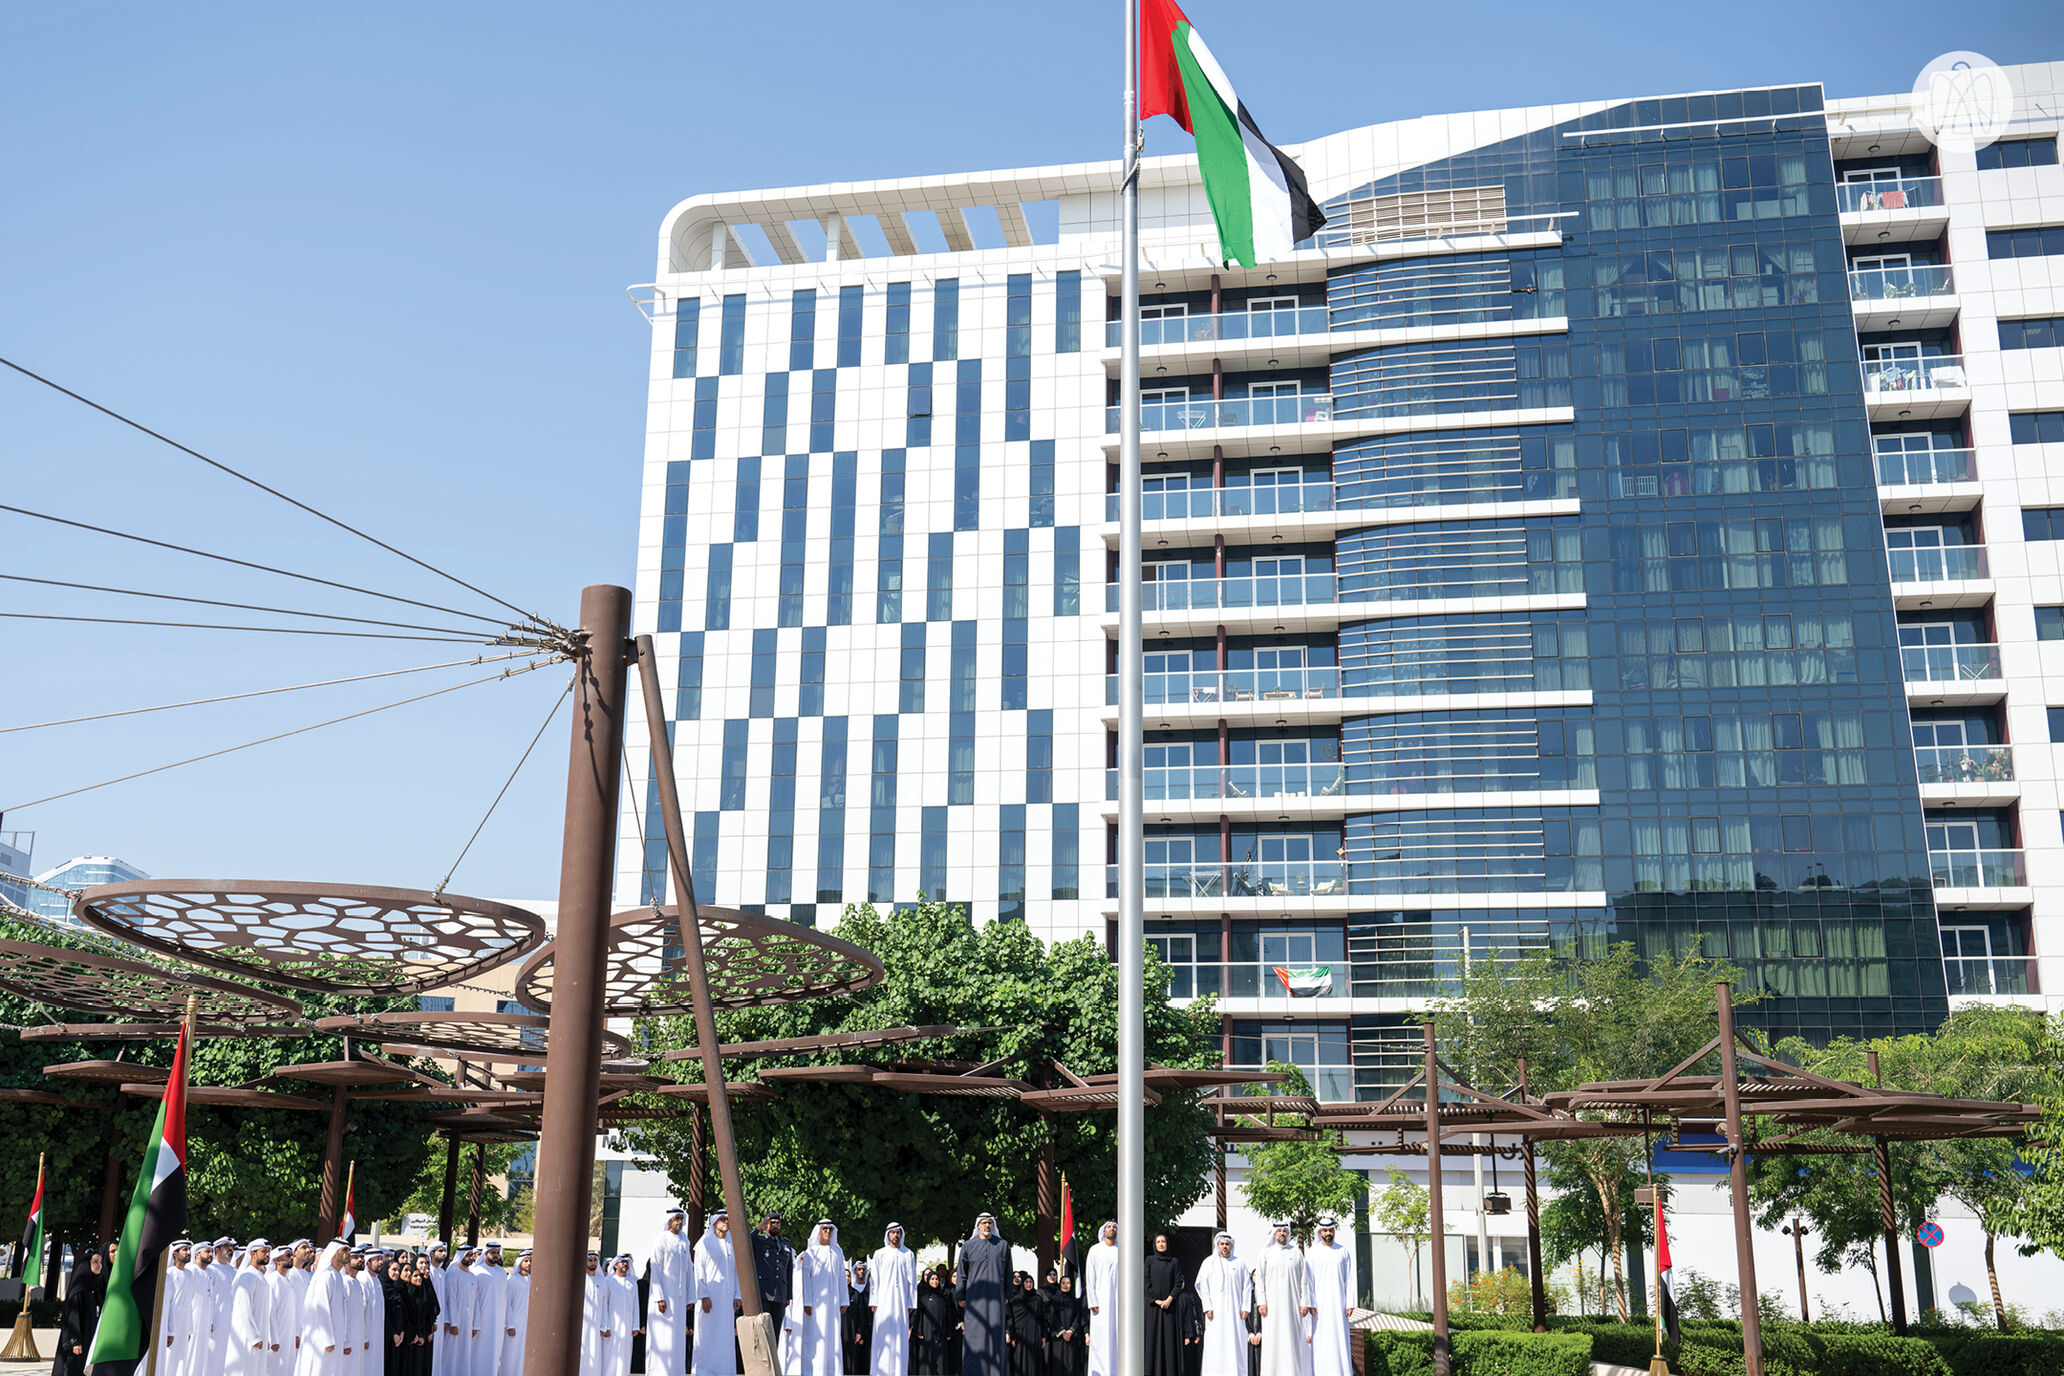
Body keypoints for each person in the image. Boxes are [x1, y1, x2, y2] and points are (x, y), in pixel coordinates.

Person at [789, 1222, 846, 1376]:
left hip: (833, 1303)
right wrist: (807, 1302)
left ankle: (832, 1371)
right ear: (818, 1232)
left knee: (833, 1337)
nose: (828, 1232)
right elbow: (806, 1279)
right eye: (824, 1229)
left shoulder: (838, 1252)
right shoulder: (810, 1253)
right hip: (816, 1304)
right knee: (815, 1337)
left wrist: (844, 1300)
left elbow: (842, 1277)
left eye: (830, 1229)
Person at [955, 1215, 1009, 1376]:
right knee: (974, 1337)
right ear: (978, 1225)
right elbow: (961, 1273)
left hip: (996, 1299)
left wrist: (1007, 1295)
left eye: (990, 1223)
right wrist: (960, 1296)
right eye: (984, 1223)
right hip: (974, 1299)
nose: (987, 1225)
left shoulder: (1003, 1246)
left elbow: (1009, 1272)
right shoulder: (968, 1246)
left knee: (995, 1336)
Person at [1251, 1226, 1309, 1376]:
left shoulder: (1296, 1253)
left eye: (1285, 1231)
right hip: (1272, 1307)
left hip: (1293, 1306)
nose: (1282, 1233)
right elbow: (1260, 1279)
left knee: (1292, 1341)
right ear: (1274, 1233)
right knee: (1273, 1341)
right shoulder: (1266, 1253)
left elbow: (1304, 1280)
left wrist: (1304, 1303)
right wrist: (1261, 1302)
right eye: (1279, 1231)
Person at [299, 1240, 358, 1376]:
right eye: (344, 1250)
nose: (348, 1253)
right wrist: (327, 1339)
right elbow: (321, 1308)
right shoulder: (325, 1277)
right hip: (322, 1340)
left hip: (335, 1339)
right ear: (334, 1252)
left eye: (349, 1250)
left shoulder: (337, 1276)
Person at [1300, 1222, 1352, 1376]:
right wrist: (1310, 1303)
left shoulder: (1342, 1251)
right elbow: (1308, 1280)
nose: (1328, 1233)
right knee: (1321, 1340)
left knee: (1339, 1339)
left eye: (1330, 1230)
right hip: (1319, 1306)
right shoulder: (1312, 1252)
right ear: (1319, 1232)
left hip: (1339, 1305)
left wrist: (1350, 1303)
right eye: (1325, 1230)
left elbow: (1349, 1279)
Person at [690, 1214, 738, 1376]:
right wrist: (703, 1295)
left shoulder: (731, 1244)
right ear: (714, 1222)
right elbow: (699, 1271)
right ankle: (705, 1371)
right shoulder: (705, 1244)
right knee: (707, 1335)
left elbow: (736, 1272)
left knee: (725, 1336)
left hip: (728, 1298)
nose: (726, 1222)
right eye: (722, 1219)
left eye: (727, 1219)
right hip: (710, 1297)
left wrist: (738, 1295)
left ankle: (724, 1371)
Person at [645, 1210, 692, 1376]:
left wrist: (690, 1297)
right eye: (676, 1219)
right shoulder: (660, 1240)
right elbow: (656, 1270)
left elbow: (689, 1269)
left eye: (681, 1218)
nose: (679, 1222)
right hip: (664, 1297)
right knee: (663, 1336)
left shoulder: (684, 1240)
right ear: (669, 1221)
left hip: (680, 1298)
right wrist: (659, 1297)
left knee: (677, 1338)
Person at [1193, 1236, 1247, 1376]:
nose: (1224, 1246)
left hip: (1235, 1313)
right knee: (1215, 1342)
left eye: (1227, 1244)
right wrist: (1207, 1306)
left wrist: (1245, 1307)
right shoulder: (1209, 1263)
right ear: (1217, 1245)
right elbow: (1201, 1285)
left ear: (1231, 1246)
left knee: (1235, 1343)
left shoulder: (1239, 1263)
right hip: (1215, 1313)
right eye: (1222, 1244)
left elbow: (1247, 1287)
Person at [866, 1224, 915, 1376]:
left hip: (901, 1302)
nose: (895, 1235)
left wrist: (911, 1302)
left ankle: (899, 1371)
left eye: (898, 1232)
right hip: (883, 1301)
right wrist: (874, 1301)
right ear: (888, 1235)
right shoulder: (880, 1253)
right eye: (892, 1232)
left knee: (900, 1335)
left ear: (902, 1234)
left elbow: (912, 1281)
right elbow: (875, 1279)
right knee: (882, 1334)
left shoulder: (908, 1254)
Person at [52, 1244, 106, 1376]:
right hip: (79, 1340)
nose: (99, 1265)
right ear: (86, 1264)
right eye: (95, 1262)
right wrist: (75, 1341)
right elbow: (73, 1317)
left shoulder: (96, 1288)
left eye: (100, 1262)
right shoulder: (79, 1290)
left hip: (90, 1336)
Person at [228, 1239, 277, 1376]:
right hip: (247, 1337)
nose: (268, 1254)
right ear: (253, 1254)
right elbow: (244, 1308)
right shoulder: (247, 1276)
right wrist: (254, 1336)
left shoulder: (260, 1276)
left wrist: (265, 1336)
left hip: (259, 1336)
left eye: (269, 1251)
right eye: (264, 1251)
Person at [1143, 1235, 1185, 1376]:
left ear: (1167, 1244)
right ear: (1155, 1244)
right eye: (1158, 1242)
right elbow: (1146, 1282)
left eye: (1163, 1241)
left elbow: (1178, 1283)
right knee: (1152, 1339)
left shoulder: (1174, 1262)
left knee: (1169, 1341)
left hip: (1169, 1307)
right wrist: (1156, 1300)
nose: (1161, 1244)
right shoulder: (1149, 1261)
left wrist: (1169, 1299)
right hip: (1153, 1307)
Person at [1081, 1225, 1117, 1376]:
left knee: (1116, 1337)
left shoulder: (1121, 1250)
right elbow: (1090, 1277)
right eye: (1108, 1227)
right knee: (1101, 1339)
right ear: (1103, 1231)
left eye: (1114, 1227)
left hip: (1118, 1302)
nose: (1111, 1229)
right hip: (1100, 1303)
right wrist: (1093, 1301)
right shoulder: (1095, 1250)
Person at [160, 1241, 196, 1376]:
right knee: (169, 1360)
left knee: (181, 1361)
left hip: (184, 1325)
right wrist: (170, 1330)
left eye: (189, 1249)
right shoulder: (169, 1274)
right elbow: (169, 1304)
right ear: (175, 1254)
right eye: (185, 1250)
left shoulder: (189, 1274)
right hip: (172, 1326)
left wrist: (189, 1328)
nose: (188, 1252)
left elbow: (189, 1303)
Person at [472, 1246, 509, 1376]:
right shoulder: (477, 1271)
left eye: (498, 1253)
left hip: (498, 1320)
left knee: (494, 1352)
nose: (496, 1255)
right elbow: (474, 1298)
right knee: (479, 1351)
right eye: (493, 1252)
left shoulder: (502, 1272)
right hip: (481, 1320)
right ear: (485, 1253)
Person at [913, 1270, 957, 1376]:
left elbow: (948, 1315)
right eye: (932, 1279)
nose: (935, 1281)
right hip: (927, 1331)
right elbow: (919, 1314)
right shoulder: (923, 1296)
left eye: (936, 1279)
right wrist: (919, 1331)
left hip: (942, 1331)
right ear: (928, 1280)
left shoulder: (944, 1296)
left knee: (941, 1359)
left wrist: (949, 1331)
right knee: (928, 1358)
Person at [272, 1245, 306, 1376]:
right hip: (277, 1338)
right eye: (287, 1255)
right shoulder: (273, 1280)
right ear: (277, 1260)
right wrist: (273, 1339)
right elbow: (270, 1312)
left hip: (288, 1336)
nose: (291, 1258)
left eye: (291, 1255)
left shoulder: (286, 1280)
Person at [1042, 1274, 1085, 1376]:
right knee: (1058, 1365)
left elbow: (1078, 1317)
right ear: (1060, 1284)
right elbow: (1052, 1317)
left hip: (1072, 1337)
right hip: (1058, 1339)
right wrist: (1062, 1331)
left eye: (1068, 1283)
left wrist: (1071, 1330)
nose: (1065, 1285)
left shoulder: (1075, 1301)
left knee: (1071, 1364)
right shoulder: (1053, 1300)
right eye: (1063, 1283)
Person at [497, 1252, 530, 1376]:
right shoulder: (512, 1280)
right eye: (526, 1261)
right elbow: (507, 1304)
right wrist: (510, 1325)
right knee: (511, 1356)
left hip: (528, 1324)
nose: (529, 1263)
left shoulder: (533, 1279)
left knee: (524, 1355)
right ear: (519, 1262)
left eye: (530, 1261)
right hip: (514, 1324)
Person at [1003, 1274, 1044, 1376]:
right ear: (1023, 1284)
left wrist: (1044, 1336)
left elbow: (1042, 1318)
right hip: (1020, 1335)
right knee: (1020, 1359)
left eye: (1030, 1282)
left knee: (1034, 1361)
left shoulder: (1038, 1299)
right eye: (1026, 1282)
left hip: (1035, 1333)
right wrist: (1012, 1335)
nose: (1028, 1284)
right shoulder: (1016, 1300)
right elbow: (1011, 1319)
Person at [841, 1259, 872, 1376]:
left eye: (848, 1276)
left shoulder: (857, 1293)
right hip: (841, 1332)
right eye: (845, 1276)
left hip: (856, 1331)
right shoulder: (838, 1293)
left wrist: (860, 1332)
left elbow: (861, 1315)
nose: (847, 1278)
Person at [580, 1254, 608, 1376]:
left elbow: (604, 1304)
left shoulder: (601, 1281)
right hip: (582, 1324)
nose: (593, 1263)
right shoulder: (580, 1279)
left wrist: (604, 1325)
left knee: (594, 1351)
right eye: (590, 1260)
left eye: (595, 1260)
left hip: (596, 1325)